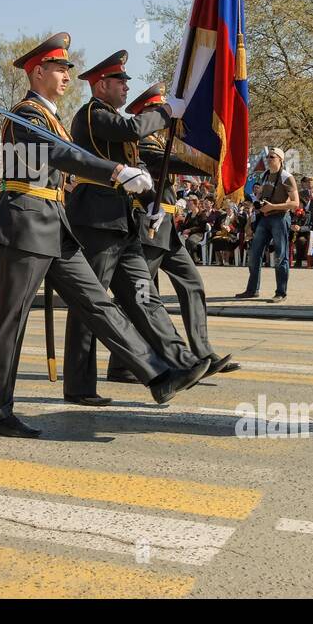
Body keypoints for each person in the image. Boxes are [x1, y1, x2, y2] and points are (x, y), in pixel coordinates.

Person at [0, 33, 213, 438]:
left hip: (54, 224)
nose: (67, 75)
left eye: (68, 68)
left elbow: (69, 160)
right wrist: (116, 172)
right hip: (25, 223)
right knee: (10, 322)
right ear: (38, 72)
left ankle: (158, 375)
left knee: (99, 304)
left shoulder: (47, 116)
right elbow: (61, 155)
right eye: (59, 68)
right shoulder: (27, 115)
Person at [63, 57, 228, 403]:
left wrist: (153, 204)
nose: (126, 85)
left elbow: (137, 172)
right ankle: (79, 384)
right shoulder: (91, 115)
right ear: (100, 84)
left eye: (125, 79)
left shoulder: (115, 119)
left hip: (125, 223)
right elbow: (131, 131)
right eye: (119, 80)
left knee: (144, 296)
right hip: (96, 222)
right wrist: (169, 111)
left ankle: (180, 364)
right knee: (91, 306)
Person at [117, 82, 237, 378]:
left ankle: (202, 352)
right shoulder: (144, 144)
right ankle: (122, 363)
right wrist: (209, 163)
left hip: (168, 231)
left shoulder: (163, 140)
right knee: (140, 295)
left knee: (191, 283)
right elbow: (166, 163)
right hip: (150, 229)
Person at [237, 147, 299, 301]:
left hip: (280, 218)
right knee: (254, 253)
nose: (269, 159)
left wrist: (273, 207)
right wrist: (256, 203)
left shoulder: (286, 177)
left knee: (281, 256)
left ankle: (280, 292)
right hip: (264, 218)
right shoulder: (265, 175)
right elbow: (260, 194)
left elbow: (295, 203)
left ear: (280, 159)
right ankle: (252, 290)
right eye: (268, 157)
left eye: (272, 157)